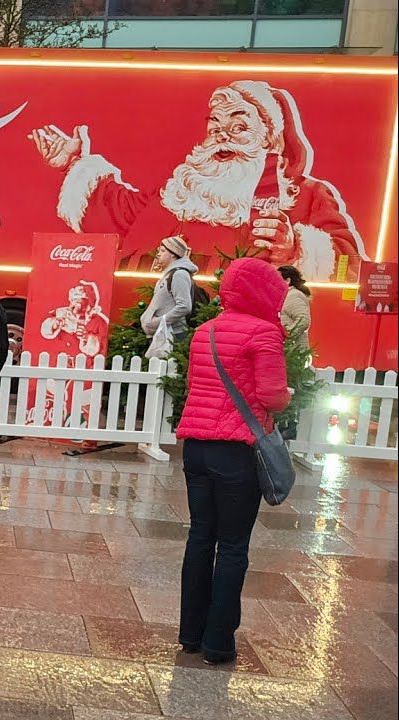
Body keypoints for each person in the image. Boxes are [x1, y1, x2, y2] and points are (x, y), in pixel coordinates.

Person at [32, 80, 369, 281]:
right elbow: (117, 211)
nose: (222, 135)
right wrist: (74, 164)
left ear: (272, 138)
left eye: (238, 127)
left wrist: (296, 248)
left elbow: (348, 268)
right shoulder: (180, 190)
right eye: (215, 125)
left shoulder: (306, 196)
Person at [174, 257, 292, 666]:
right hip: (236, 453)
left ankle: (190, 634)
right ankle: (218, 643)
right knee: (234, 546)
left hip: (197, 447)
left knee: (200, 537)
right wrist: (287, 397)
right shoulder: (264, 333)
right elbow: (273, 395)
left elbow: (197, 387)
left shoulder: (204, 331)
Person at [141, 235, 201, 353]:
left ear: (173, 253)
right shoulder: (170, 275)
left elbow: (184, 306)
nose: (158, 254)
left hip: (174, 336)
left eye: (163, 251)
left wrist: (159, 321)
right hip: (166, 334)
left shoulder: (179, 274)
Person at [278, 264, 311, 351]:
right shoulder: (284, 296)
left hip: (293, 351)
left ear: (288, 280)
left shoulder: (294, 295)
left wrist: (286, 336)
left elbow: (303, 320)